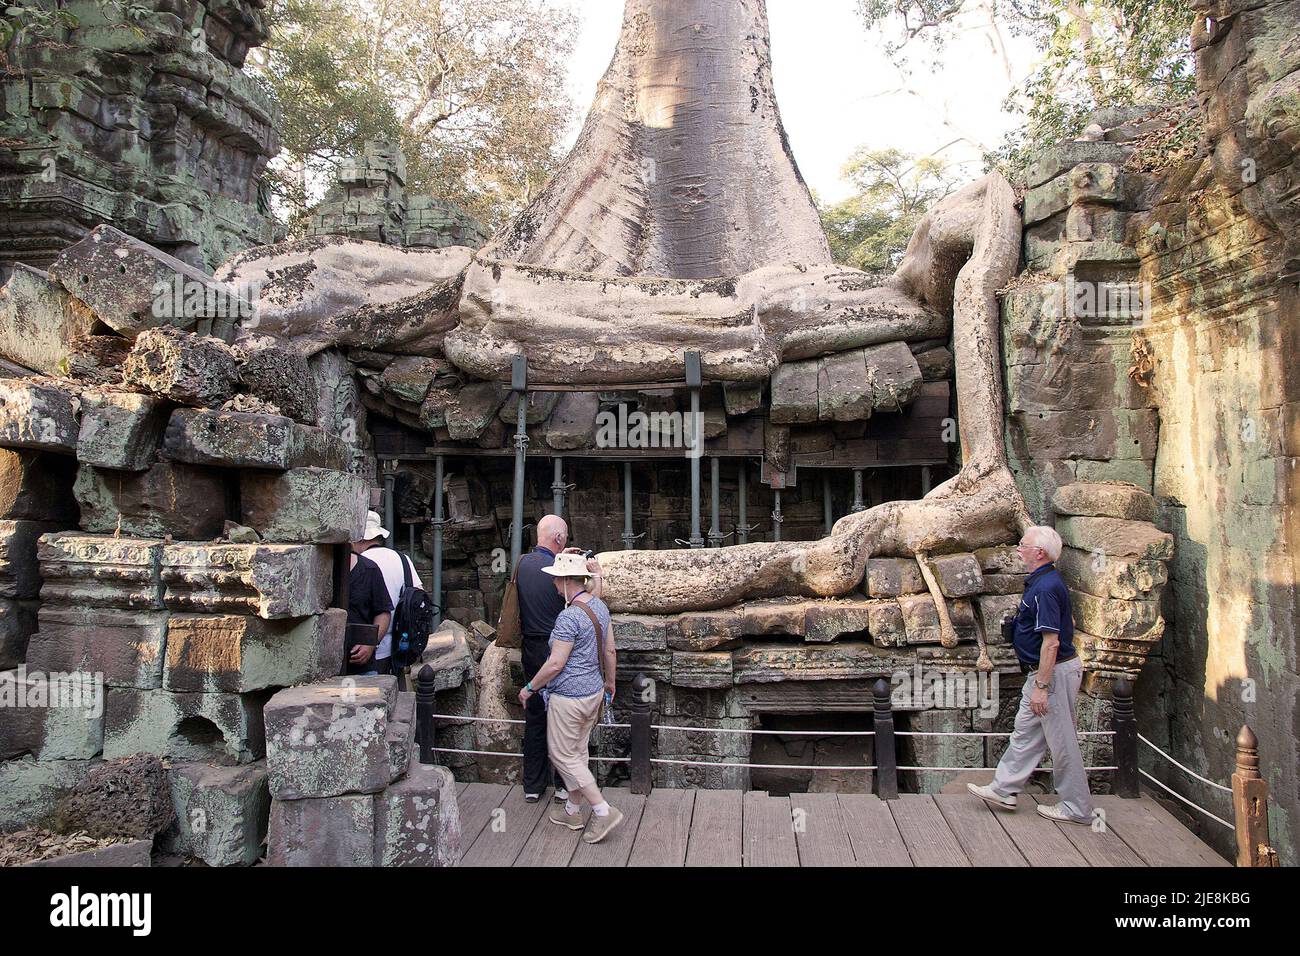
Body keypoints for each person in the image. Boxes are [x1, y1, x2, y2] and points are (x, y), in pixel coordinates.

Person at [968, 525, 1096, 823]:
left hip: (1050, 675)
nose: (1018, 549)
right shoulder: (1043, 582)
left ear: (1039, 553)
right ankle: (1004, 788)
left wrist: (1042, 684)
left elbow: (1051, 643)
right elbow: (1070, 621)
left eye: (1022, 545)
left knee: (1062, 741)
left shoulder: (1046, 588)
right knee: (1025, 733)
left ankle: (1078, 808)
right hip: (1041, 674)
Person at [519, 551, 622, 845]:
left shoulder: (568, 618)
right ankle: (572, 810)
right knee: (577, 753)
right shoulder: (599, 607)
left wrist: (530, 687)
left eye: (556, 579)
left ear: (566, 581)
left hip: (569, 697)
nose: (553, 585)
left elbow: (555, 664)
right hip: (594, 693)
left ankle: (603, 811)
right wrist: (610, 683)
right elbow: (610, 650)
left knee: (563, 756)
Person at [516, 514, 603, 804]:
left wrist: (561, 559)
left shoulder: (522, 564)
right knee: (565, 724)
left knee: (535, 718)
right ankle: (565, 786)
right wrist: (595, 575)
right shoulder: (565, 577)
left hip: (530, 648)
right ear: (559, 539)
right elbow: (590, 607)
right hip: (559, 651)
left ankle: (532, 784)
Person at [351, 510, 424, 676]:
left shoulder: (360, 564)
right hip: (398, 648)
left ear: (358, 537)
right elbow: (419, 597)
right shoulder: (403, 559)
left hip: (362, 651)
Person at [345, 542, 392, 676]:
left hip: (361, 667)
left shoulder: (369, 569)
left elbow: (383, 613)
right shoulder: (316, 570)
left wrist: (370, 643)